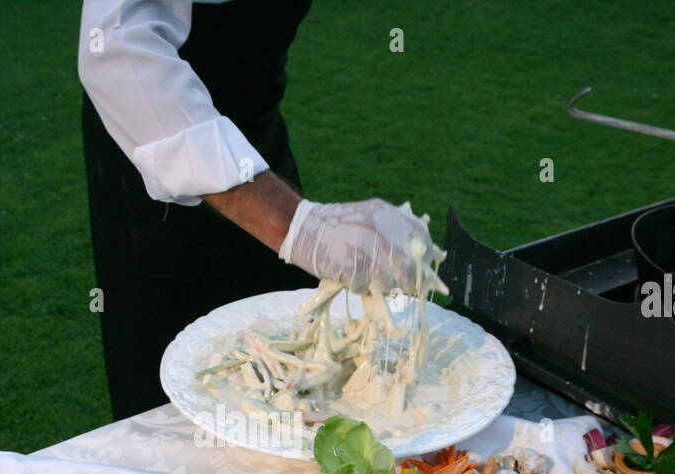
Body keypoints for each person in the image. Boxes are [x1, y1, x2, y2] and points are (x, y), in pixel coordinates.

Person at [79, 0, 446, 420]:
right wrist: (301, 228)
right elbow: (114, 45)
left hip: (256, 127)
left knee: (301, 374)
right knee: (179, 402)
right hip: (151, 144)